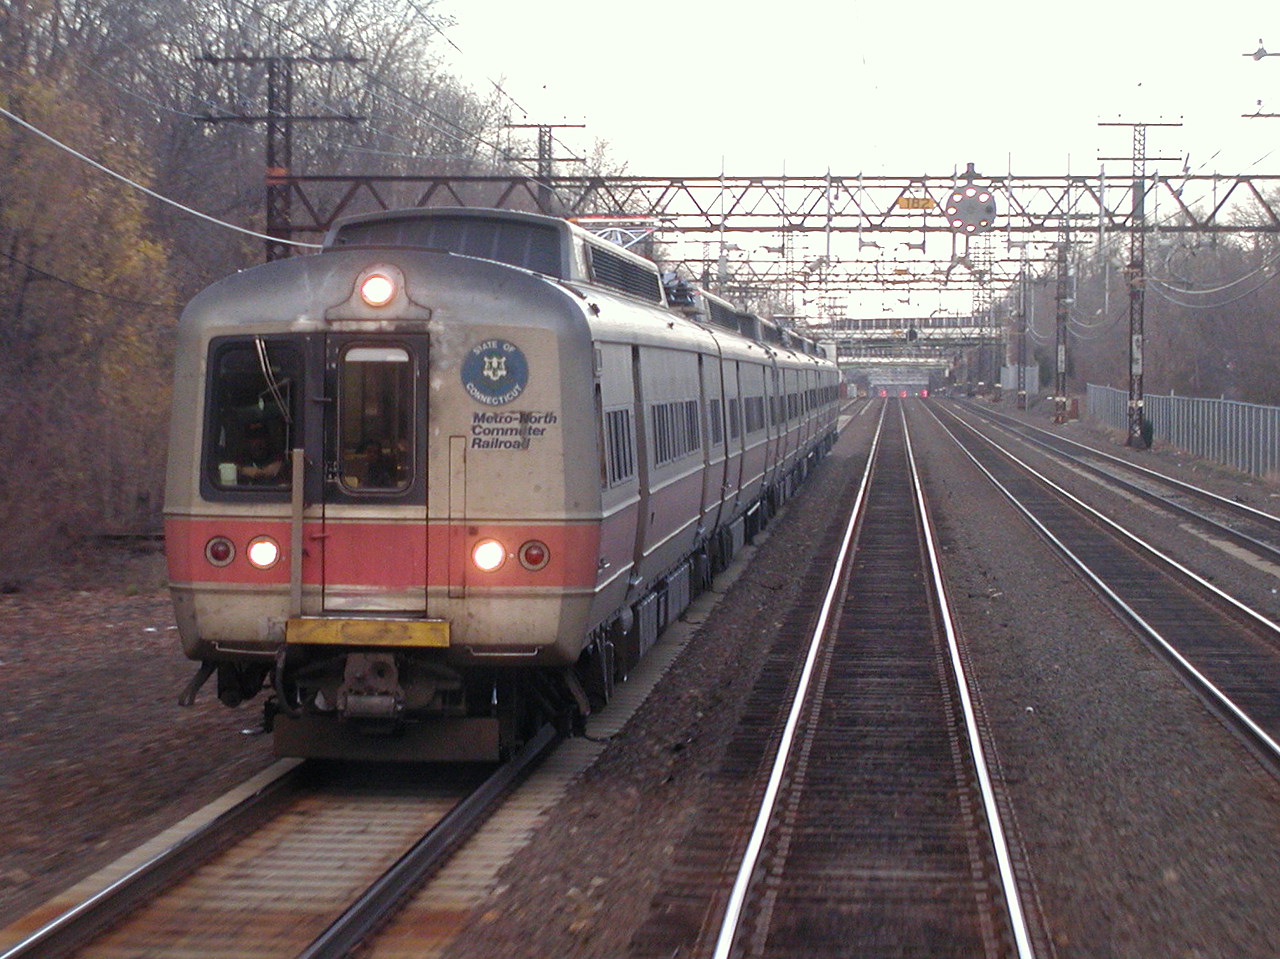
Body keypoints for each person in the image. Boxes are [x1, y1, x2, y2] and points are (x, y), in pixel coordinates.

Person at [238, 420, 287, 485]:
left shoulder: (276, 457)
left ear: (267, 439)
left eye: (261, 437)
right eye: (253, 438)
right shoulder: (241, 459)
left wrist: (278, 468)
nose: (258, 443)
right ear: (246, 441)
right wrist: (242, 471)